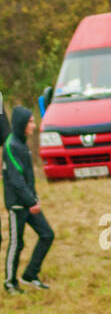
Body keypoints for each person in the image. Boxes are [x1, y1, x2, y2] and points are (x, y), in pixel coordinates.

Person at [4, 106, 53, 291]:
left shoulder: (22, 143)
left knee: (47, 234)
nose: (33, 125)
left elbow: (28, 178)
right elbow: (16, 180)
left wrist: (35, 198)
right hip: (17, 204)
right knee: (17, 244)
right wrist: (31, 202)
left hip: (29, 201)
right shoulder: (11, 146)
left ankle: (30, 275)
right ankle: (10, 283)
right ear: (22, 124)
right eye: (30, 122)